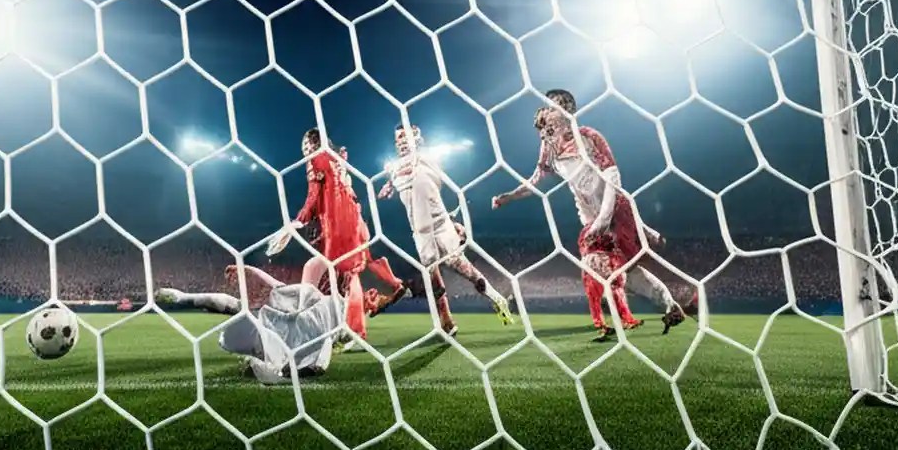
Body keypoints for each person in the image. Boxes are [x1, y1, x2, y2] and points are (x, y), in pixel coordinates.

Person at [492, 90, 691, 340]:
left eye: (553, 107)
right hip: (589, 216)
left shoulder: (588, 137)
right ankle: (667, 306)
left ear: (568, 111)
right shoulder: (549, 148)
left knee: (603, 266)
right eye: (547, 107)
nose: (548, 113)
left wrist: (605, 218)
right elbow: (536, 180)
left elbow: (613, 177)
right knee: (621, 271)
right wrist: (508, 197)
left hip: (615, 211)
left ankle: (615, 319)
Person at [266, 129, 409, 342]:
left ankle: (355, 329)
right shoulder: (338, 158)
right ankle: (388, 288)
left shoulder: (316, 160)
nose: (306, 151)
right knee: (356, 266)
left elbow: (313, 197)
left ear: (317, 144)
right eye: (304, 148)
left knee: (347, 274)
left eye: (307, 146)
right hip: (355, 218)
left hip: (340, 222)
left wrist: (298, 221)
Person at [379, 124, 514, 336]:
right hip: (420, 230)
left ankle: (496, 298)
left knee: (460, 266)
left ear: (417, 137)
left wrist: (454, 220)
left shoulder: (428, 157)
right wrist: (388, 186)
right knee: (431, 272)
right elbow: (398, 176)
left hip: (441, 223)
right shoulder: (394, 168)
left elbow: (436, 182)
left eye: (406, 135)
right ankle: (446, 321)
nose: (402, 141)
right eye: (398, 138)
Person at [155, 262, 369, 383]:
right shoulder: (334, 313)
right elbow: (333, 347)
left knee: (238, 307)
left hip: (276, 328)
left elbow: (275, 285)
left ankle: (183, 297)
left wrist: (248, 269)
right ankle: (269, 364)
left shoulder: (314, 298)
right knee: (242, 313)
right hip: (291, 344)